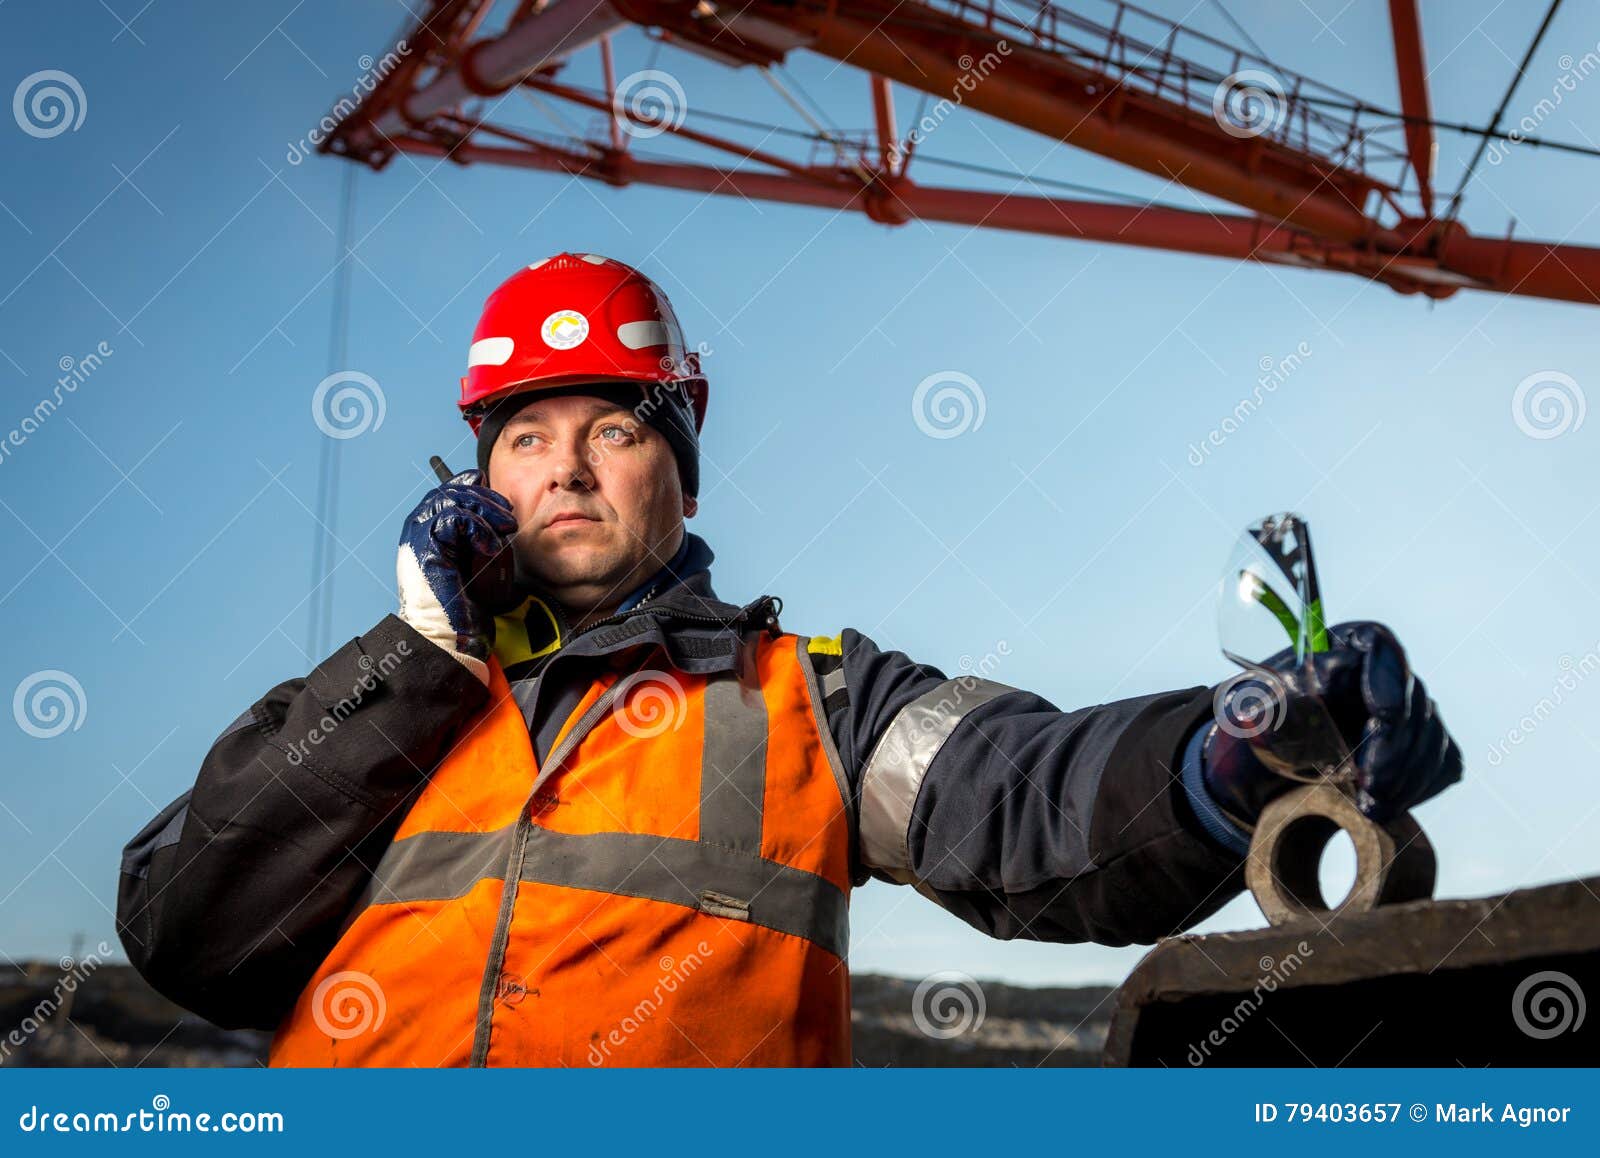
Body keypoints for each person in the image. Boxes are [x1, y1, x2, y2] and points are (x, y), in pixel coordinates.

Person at [116, 252, 1462, 1067]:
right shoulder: (379, 707)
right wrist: (417, 659)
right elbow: (190, 932)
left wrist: (1225, 750)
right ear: (479, 481)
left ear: (684, 481)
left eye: (615, 430)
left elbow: (1026, 796)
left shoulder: (812, 699)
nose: (566, 466)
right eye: (526, 436)